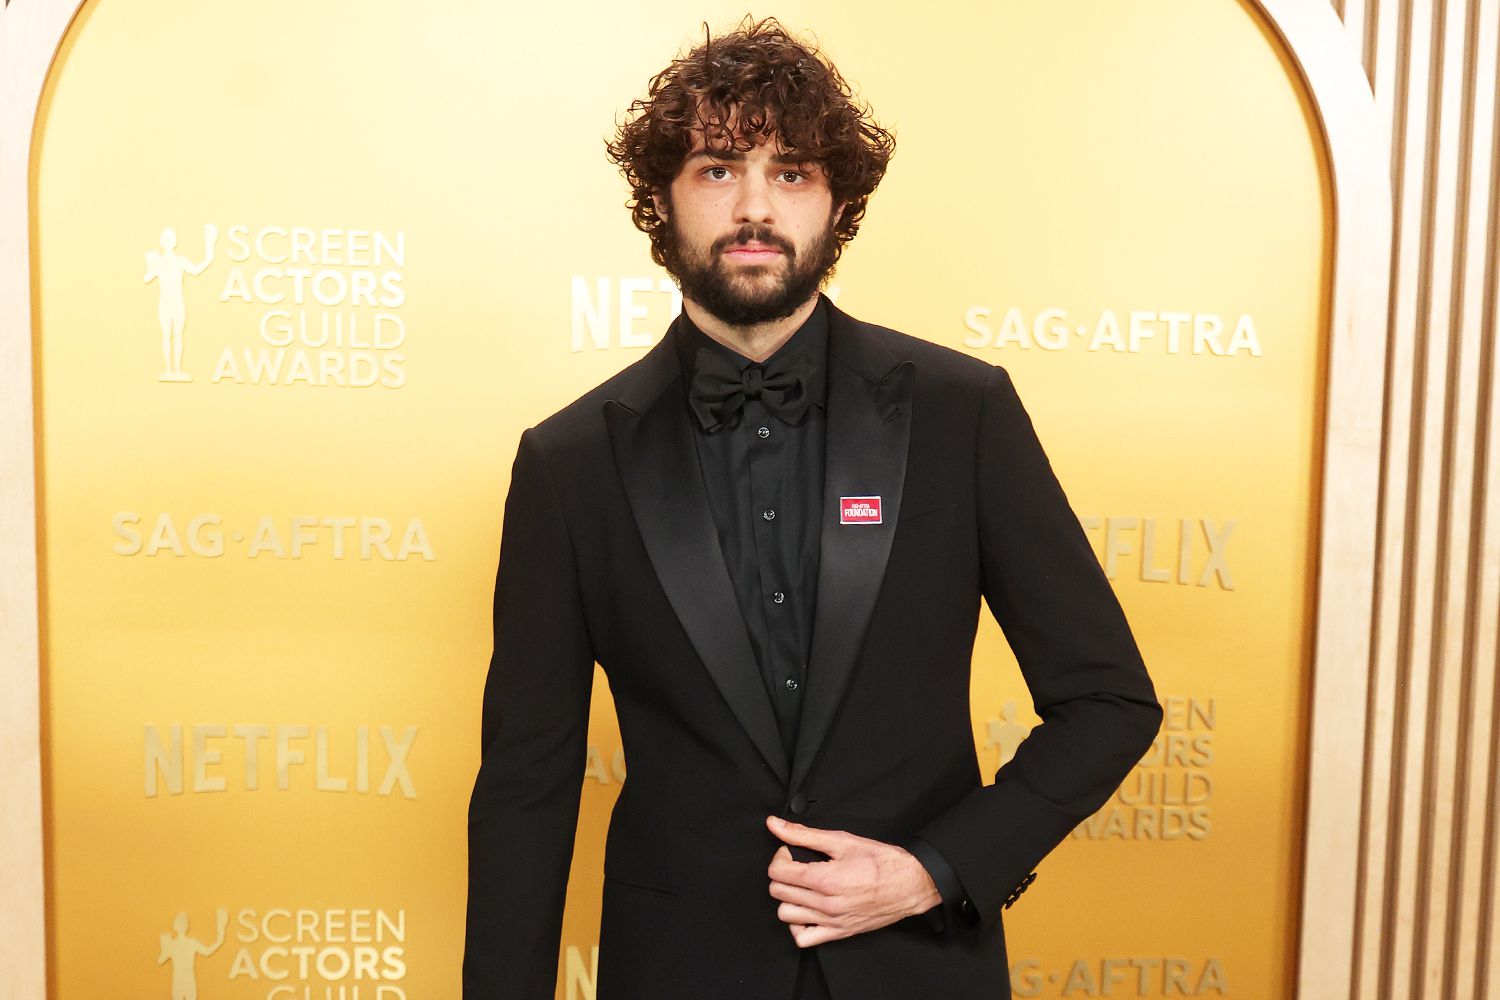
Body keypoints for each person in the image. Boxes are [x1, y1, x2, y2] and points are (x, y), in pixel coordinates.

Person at [464, 16, 1162, 1000]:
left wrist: (936, 867)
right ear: (661, 199)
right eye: (716, 169)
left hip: (922, 969)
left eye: (790, 172)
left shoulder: (962, 413)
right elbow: (526, 792)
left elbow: (1111, 701)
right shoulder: (569, 462)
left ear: (839, 202)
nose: (755, 206)